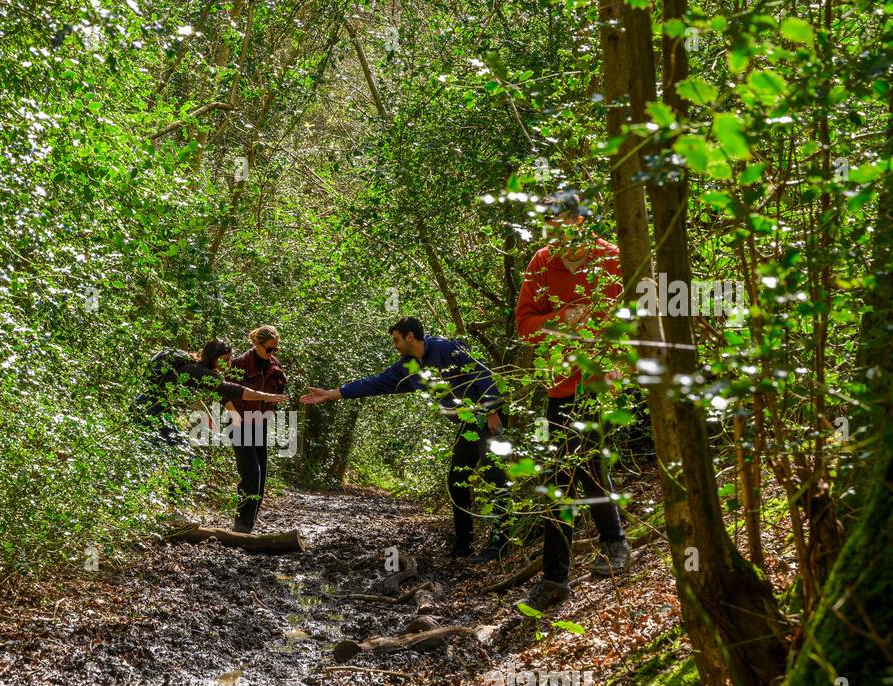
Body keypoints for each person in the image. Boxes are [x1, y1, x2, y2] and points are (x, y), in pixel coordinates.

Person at [301, 316, 511, 562]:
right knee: (457, 480)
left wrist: (493, 410)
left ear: (410, 336)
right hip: (468, 424)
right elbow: (375, 383)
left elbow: (482, 373)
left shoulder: (446, 348)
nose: (395, 344)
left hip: (489, 416)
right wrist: (332, 394)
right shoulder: (408, 368)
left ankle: (500, 543)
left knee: (495, 475)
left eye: (396, 339)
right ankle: (464, 544)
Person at [515, 190, 632, 612]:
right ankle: (575, 567)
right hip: (560, 384)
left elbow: (635, 314)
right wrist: (558, 319)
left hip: (601, 378)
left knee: (583, 460)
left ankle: (588, 559)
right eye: (548, 227)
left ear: (579, 221)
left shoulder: (613, 258)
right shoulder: (541, 264)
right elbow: (525, 326)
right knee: (562, 473)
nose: (555, 234)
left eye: (561, 224)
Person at [135, 338, 287, 489]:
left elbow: (194, 395)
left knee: (169, 457)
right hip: (150, 411)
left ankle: (161, 502)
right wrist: (266, 396)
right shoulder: (201, 372)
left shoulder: (194, 368)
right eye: (225, 359)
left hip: (148, 408)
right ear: (214, 357)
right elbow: (232, 390)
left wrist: (207, 415)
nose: (228, 364)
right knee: (185, 460)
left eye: (230, 359)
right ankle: (170, 506)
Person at [228, 326, 288, 533]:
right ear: (257, 344)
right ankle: (241, 525)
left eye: (275, 350)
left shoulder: (275, 365)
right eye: (269, 349)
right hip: (240, 423)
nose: (272, 354)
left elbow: (278, 392)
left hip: (261, 423)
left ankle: (248, 525)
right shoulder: (239, 364)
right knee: (251, 473)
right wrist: (234, 415)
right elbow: (223, 393)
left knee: (261, 475)